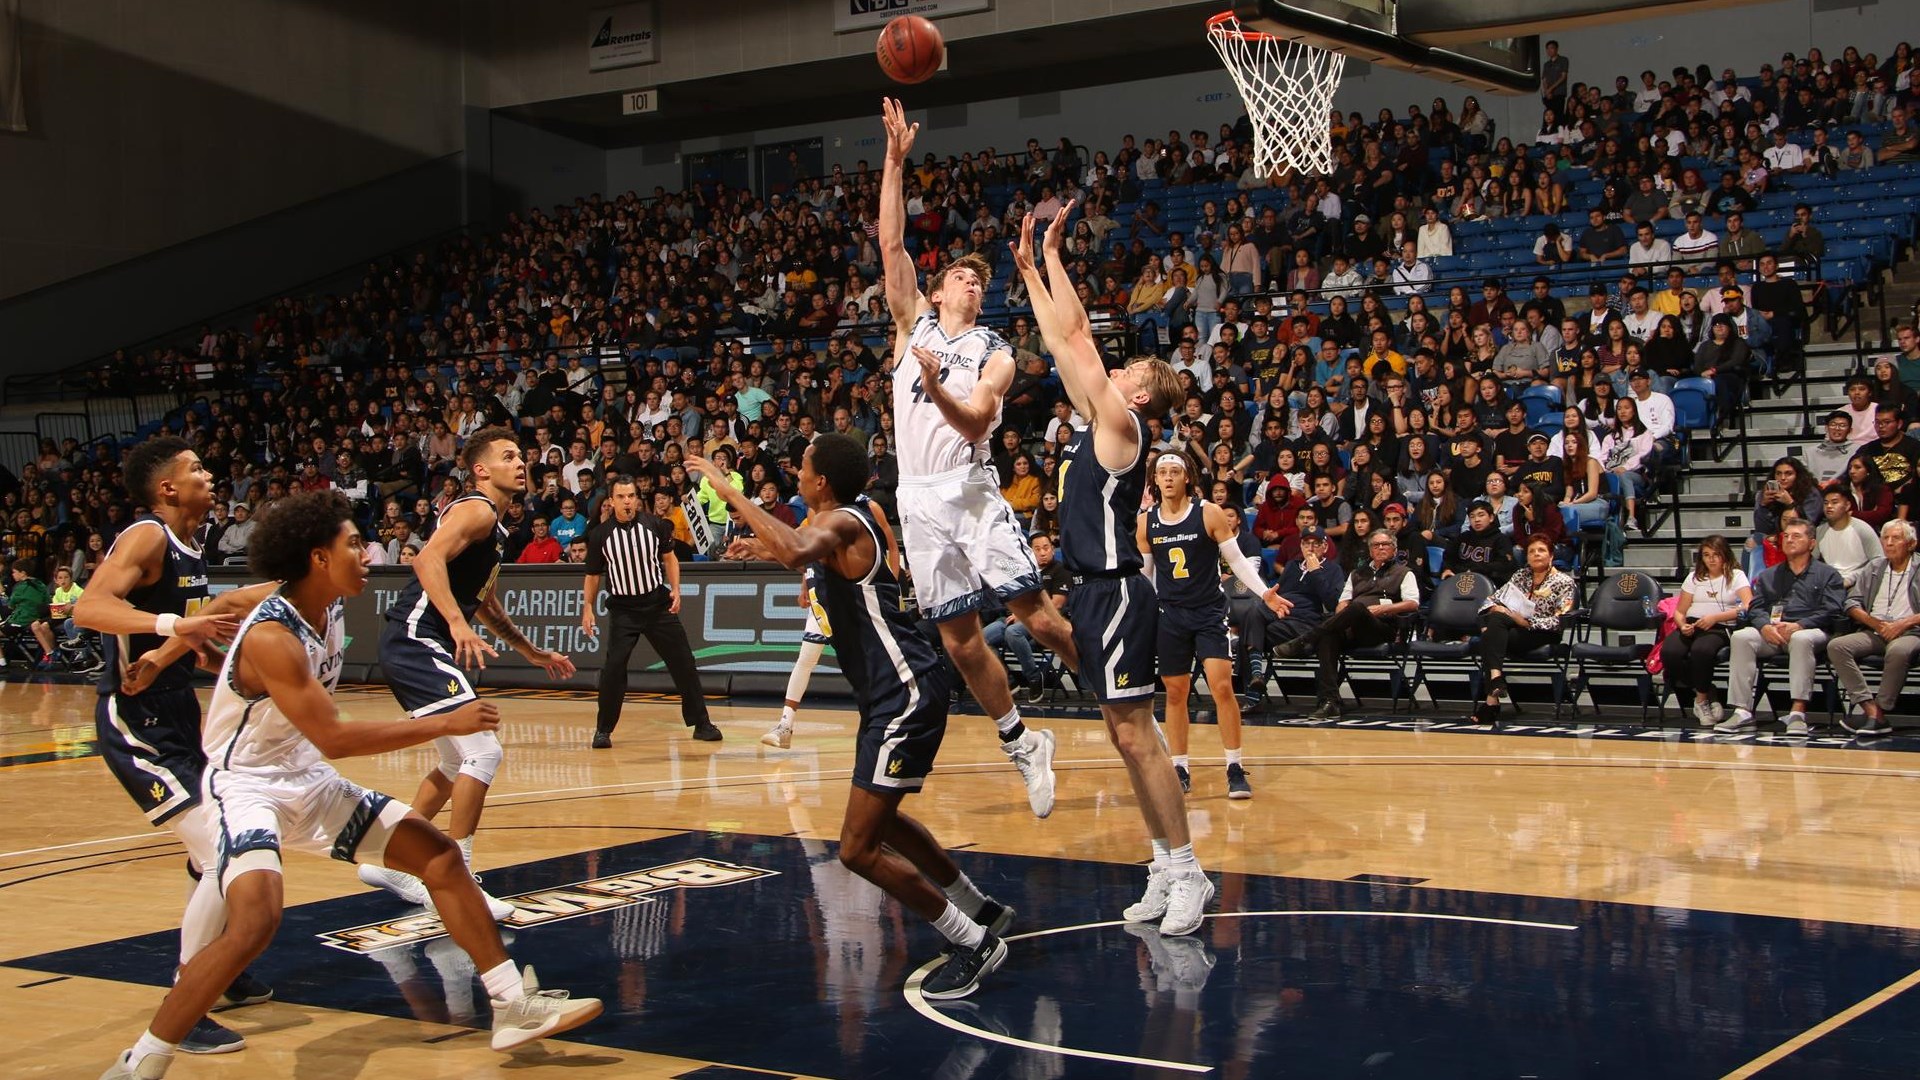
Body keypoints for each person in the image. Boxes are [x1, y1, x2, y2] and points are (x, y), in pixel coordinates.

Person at [96, 492, 602, 1079]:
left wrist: (164, 656)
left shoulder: (325, 604)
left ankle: (512, 1004)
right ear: (317, 557)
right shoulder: (272, 636)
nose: (368, 554)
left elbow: (229, 599)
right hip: (249, 787)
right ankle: (145, 1059)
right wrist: (442, 722)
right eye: (354, 545)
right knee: (256, 919)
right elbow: (335, 737)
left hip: (309, 779)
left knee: (439, 859)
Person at [691, 435, 1017, 999]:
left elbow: (797, 551)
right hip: (891, 693)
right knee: (882, 822)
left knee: (856, 849)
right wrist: (761, 549)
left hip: (905, 691)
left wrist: (728, 492)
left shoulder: (842, 520)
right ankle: (979, 909)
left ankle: (972, 941)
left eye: (804, 467)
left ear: (820, 482)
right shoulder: (847, 518)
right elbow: (803, 554)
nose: (796, 471)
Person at [1014, 203, 1213, 935]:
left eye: (1124, 367)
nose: (1113, 366)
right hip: (1093, 594)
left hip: (1122, 594)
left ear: (1136, 394)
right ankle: (1164, 862)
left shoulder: (1126, 425)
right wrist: (1034, 269)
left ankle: (1189, 870)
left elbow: (1072, 337)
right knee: (1127, 738)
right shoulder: (1106, 415)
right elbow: (1063, 343)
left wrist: (1056, 256)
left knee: (1137, 736)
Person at [878, 99, 1065, 817]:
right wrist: (895, 161)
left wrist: (934, 388)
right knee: (959, 641)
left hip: (970, 488)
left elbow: (982, 415)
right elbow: (892, 244)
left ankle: (1123, 709)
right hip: (917, 500)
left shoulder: (994, 350)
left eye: (980, 279)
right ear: (935, 290)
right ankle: (1022, 741)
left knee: (1038, 616)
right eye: (961, 274)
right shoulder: (909, 326)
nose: (973, 281)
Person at [74, 436, 269, 1056]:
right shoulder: (146, 535)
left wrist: (192, 651)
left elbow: (185, 630)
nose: (210, 475)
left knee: (215, 845)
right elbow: (89, 608)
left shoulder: (191, 545)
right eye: (197, 469)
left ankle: (221, 971)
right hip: (134, 720)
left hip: (176, 710)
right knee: (221, 849)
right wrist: (171, 628)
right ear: (167, 489)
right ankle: (187, 1001)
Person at [358, 428, 575, 918]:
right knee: (484, 751)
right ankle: (459, 877)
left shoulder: (494, 525)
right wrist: (456, 623)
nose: (522, 462)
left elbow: (487, 602)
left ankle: (389, 859)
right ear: (481, 470)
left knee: (457, 764)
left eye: (522, 455)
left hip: (416, 643)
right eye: (508, 456)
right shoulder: (475, 508)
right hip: (418, 639)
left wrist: (531, 650)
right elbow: (427, 559)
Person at [1138, 453, 1280, 799]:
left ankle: (1234, 766)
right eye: (1162, 473)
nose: (1168, 478)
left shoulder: (1208, 512)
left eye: (1175, 471)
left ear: (1187, 477)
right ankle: (1180, 767)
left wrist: (1265, 594)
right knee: (1174, 693)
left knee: (1221, 688)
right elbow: (1145, 578)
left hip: (1208, 613)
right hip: (1170, 615)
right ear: (1154, 480)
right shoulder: (1146, 523)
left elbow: (1237, 561)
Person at [579, 475, 720, 748]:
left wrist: (676, 590)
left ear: (637, 498)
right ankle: (603, 730)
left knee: (684, 662)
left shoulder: (655, 525)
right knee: (613, 669)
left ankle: (701, 723)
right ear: (611, 501)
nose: (627, 501)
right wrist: (587, 607)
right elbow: (593, 575)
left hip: (657, 605)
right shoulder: (599, 535)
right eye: (621, 497)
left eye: (631, 496)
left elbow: (670, 558)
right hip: (624, 610)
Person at [1714, 519, 1848, 737]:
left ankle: (1797, 713)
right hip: (1774, 632)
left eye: (1797, 536)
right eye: (1786, 536)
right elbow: (1755, 608)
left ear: (1812, 543)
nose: (1789, 539)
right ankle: (1742, 711)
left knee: (1801, 639)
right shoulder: (1769, 575)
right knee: (1741, 637)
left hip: (1811, 631)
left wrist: (1800, 625)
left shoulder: (1828, 574)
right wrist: (1764, 626)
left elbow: (1833, 610)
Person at [1273, 530, 1419, 720]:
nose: (1381, 548)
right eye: (1376, 545)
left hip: (1382, 628)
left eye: (1386, 544)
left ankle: (1304, 640)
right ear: (1370, 550)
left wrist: (1379, 610)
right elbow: (1342, 602)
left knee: (1357, 607)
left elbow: (1413, 603)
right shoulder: (1357, 573)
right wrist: (1343, 617)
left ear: (1394, 548)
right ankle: (1330, 702)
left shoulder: (1404, 573)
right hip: (1353, 627)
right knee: (1329, 635)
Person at [1469, 535, 1576, 724]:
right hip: (1512, 629)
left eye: (1541, 550)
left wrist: (1528, 622)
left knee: (1489, 637)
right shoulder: (1520, 575)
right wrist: (1496, 607)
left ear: (1551, 556)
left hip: (1542, 633)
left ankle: (1492, 701)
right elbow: (1490, 601)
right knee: (1496, 618)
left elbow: (1560, 620)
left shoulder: (1564, 582)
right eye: (1532, 551)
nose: (1536, 554)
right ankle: (1495, 683)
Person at [1829, 519, 1920, 737]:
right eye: (1885, 538)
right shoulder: (1874, 567)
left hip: (1911, 630)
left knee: (1898, 650)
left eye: (1895, 538)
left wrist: (1902, 624)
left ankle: (1880, 710)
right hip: (1876, 629)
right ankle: (1870, 710)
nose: (1889, 543)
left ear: (1911, 544)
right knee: (1837, 646)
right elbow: (1851, 602)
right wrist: (1875, 623)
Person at [1239, 525, 1345, 706]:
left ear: (1324, 547)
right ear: (1301, 546)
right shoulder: (1291, 566)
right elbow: (1280, 593)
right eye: (1306, 543)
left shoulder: (1333, 569)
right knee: (1253, 610)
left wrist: (1315, 571)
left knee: (1249, 634)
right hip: (1280, 612)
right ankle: (1256, 675)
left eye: (1315, 544)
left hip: (1306, 622)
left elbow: (1331, 603)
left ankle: (1252, 695)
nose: (1310, 548)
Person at [1661, 535, 1753, 726]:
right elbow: (1680, 611)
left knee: (1701, 651)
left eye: (1716, 554)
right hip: (1693, 624)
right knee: (1670, 652)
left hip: (1719, 627)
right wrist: (1682, 625)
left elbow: (1748, 606)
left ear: (1725, 555)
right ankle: (1706, 689)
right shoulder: (1694, 577)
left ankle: (1701, 700)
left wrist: (1716, 618)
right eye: (1706, 555)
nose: (1711, 559)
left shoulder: (1736, 575)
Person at [1816, 485, 1882, 588]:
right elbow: (1812, 561)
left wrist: (1852, 578)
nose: (1829, 506)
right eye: (1826, 503)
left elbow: (1879, 562)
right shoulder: (1820, 531)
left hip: (1859, 584)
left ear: (1847, 505)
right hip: (1829, 583)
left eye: (1834, 502)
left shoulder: (1862, 529)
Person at [5, 559, 56, 666]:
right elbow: (47, 602)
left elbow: (11, 605)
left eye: (14, 572)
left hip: (21, 621)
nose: (12, 574)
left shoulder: (19, 587)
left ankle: (2, 663)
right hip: (37, 618)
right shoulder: (41, 584)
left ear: (23, 573)